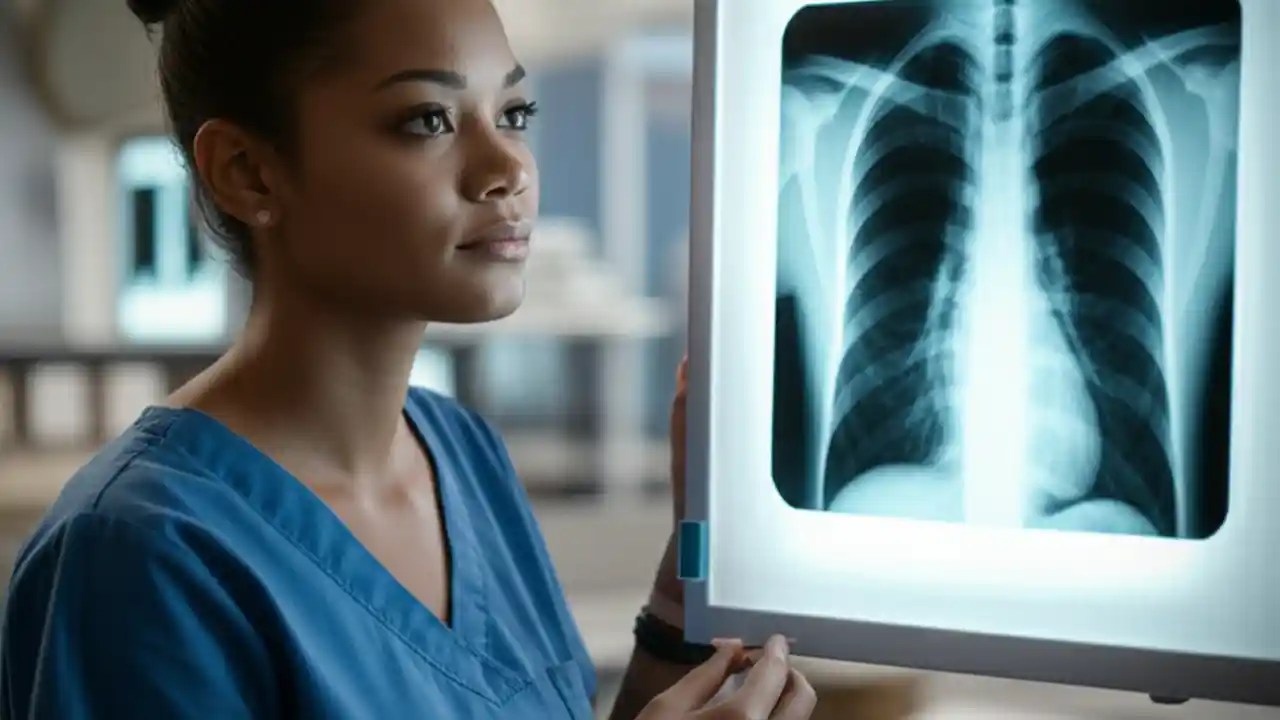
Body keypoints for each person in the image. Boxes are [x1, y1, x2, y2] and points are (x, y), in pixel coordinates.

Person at [0, 0, 818, 718]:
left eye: (515, 113)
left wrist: (689, 569)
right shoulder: (137, 554)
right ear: (247, 173)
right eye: (428, 120)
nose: (509, 169)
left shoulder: (463, 454)